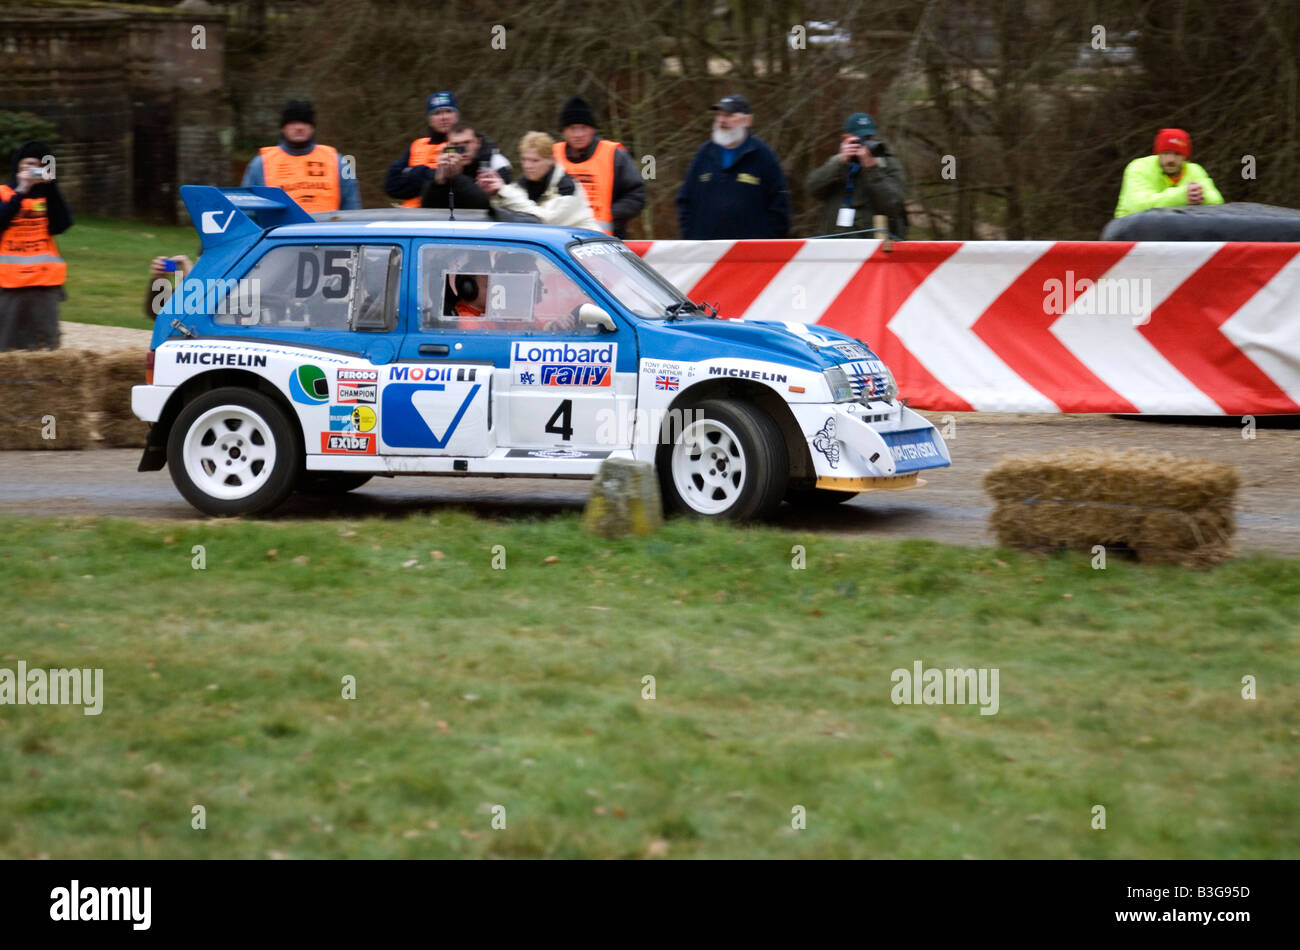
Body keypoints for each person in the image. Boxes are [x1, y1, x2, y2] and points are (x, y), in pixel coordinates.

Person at [675, 94, 790, 240]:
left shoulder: (763, 156)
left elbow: (780, 206)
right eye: (719, 115)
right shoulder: (704, 154)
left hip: (750, 255)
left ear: (747, 120)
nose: (722, 120)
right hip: (705, 253)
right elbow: (685, 199)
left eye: (729, 115)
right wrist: (692, 236)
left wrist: (766, 244)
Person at [0, 141, 73, 351]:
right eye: (26, 166)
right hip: (8, 283)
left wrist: (52, 186)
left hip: (44, 283)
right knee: (6, 347)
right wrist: (21, 190)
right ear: (17, 168)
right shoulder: (4, 192)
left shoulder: (48, 196)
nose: (30, 172)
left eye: (36, 166)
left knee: (46, 347)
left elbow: (62, 224)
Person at [240, 100, 359, 212]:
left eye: (305, 122)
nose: (299, 127)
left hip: (328, 232)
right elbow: (248, 212)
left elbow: (352, 208)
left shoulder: (338, 162)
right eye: (293, 123)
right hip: (280, 233)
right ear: (283, 127)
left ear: (312, 127)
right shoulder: (260, 164)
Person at [552, 95, 645, 237]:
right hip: (558, 240)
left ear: (593, 129)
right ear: (563, 131)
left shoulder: (615, 155)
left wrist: (610, 214)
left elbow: (636, 196)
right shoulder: (552, 156)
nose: (578, 134)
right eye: (572, 128)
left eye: (583, 128)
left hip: (607, 241)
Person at [806, 112, 908, 238]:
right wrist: (839, 162)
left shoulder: (887, 164)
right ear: (845, 139)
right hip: (835, 244)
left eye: (869, 138)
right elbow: (812, 188)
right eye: (859, 139)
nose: (864, 144)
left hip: (876, 247)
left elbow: (894, 205)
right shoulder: (837, 163)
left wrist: (872, 169)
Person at [479, 131, 599, 229]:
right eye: (524, 159)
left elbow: (541, 221)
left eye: (534, 160)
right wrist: (494, 195)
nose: (527, 166)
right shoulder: (519, 185)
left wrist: (504, 191)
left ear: (551, 160)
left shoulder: (568, 188)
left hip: (583, 248)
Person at [1114, 128, 1223, 218]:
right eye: (1166, 153)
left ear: (1185, 157)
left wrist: (1202, 197)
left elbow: (1217, 201)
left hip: (1172, 229)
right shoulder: (1138, 167)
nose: (1171, 159)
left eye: (1177, 154)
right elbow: (1138, 206)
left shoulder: (1195, 170)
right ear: (1158, 154)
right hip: (1128, 231)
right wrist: (1182, 196)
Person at [419, 122, 512, 211]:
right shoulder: (444, 165)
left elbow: (485, 205)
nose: (463, 149)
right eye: (456, 145)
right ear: (448, 146)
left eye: (467, 143)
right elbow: (427, 207)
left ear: (478, 143)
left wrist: (455, 177)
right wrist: (438, 182)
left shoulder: (496, 164)